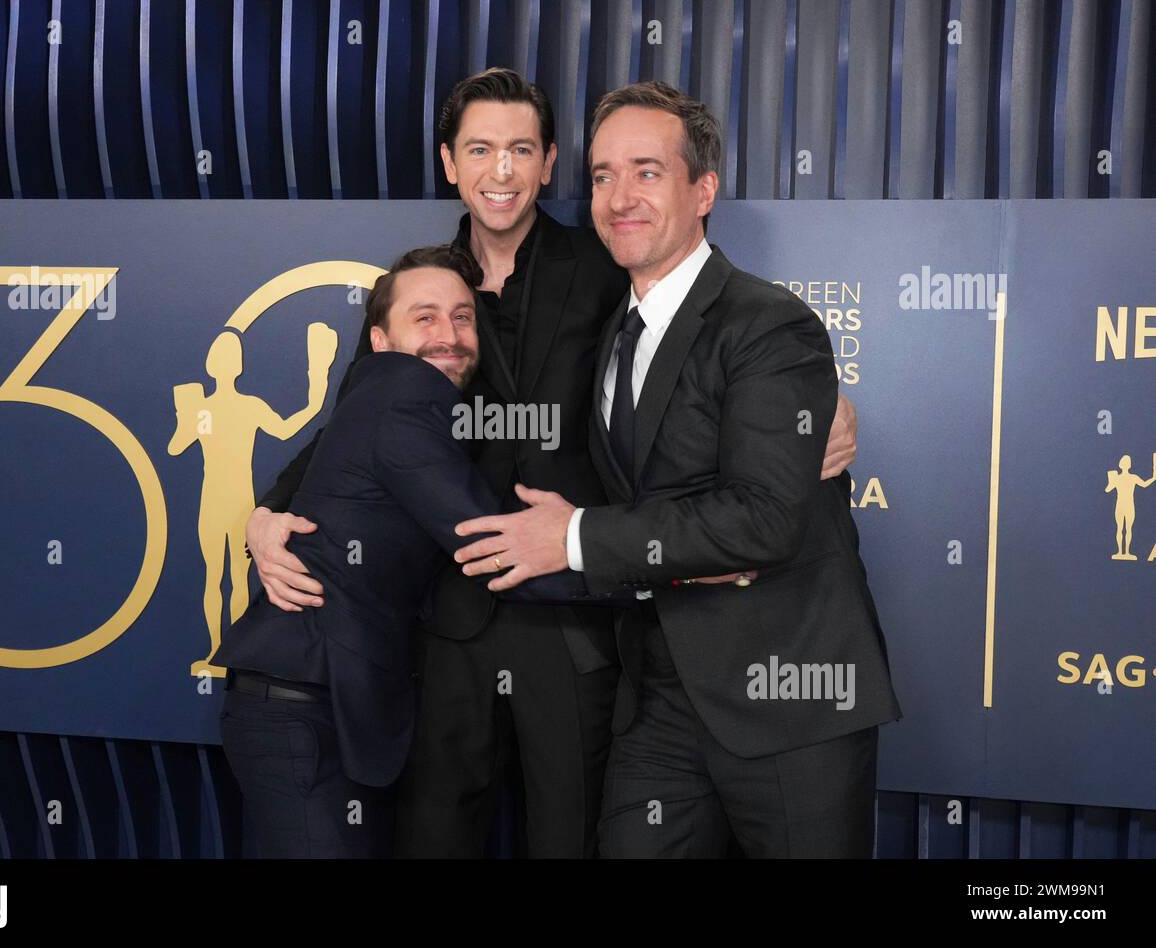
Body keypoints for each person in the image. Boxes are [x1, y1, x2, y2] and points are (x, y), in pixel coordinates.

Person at [247, 68, 861, 858]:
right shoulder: (422, 284)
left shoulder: (611, 258)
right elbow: (355, 421)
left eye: (520, 150)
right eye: (479, 149)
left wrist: (828, 417)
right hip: (447, 619)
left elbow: (713, 343)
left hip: (577, 622)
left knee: (570, 839)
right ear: (449, 164)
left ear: (547, 163)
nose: (500, 172)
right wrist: (269, 510)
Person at [455, 82, 902, 858]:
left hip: (790, 701)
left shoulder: (768, 323)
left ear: (703, 191)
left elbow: (762, 519)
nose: (619, 196)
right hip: (659, 701)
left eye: (647, 172)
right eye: (601, 176)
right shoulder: (610, 331)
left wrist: (575, 538)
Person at [212, 247, 617, 858]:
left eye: (462, 317)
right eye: (423, 318)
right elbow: (494, 549)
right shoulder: (406, 397)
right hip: (304, 716)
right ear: (380, 338)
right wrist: (648, 567)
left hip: (326, 714)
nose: (449, 336)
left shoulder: (382, 397)